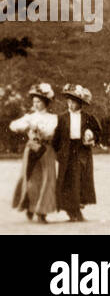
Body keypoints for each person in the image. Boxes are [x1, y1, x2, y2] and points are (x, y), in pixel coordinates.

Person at [9, 83, 59, 223]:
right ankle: (30, 206)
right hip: (31, 149)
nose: (36, 104)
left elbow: (50, 133)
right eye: (34, 102)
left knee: (47, 179)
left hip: (46, 150)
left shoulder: (52, 118)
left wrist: (39, 129)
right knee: (31, 179)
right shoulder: (30, 117)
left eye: (39, 101)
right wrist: (24, 126)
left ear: (46, 102)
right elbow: (13, 125)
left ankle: (42, 212)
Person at [54, 85, 99, 222]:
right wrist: (57, 153)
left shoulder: (87, 117)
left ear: (80, 103)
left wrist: (92, 137)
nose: (71, 104)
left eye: (74, 102)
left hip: (81, 151)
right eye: (69, 101)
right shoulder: (62, 118)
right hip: (66, 151)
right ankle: (71, 210)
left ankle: (77, 209)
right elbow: (56, 137)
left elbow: (97, 132)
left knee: (79, 179)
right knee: (67, 181)